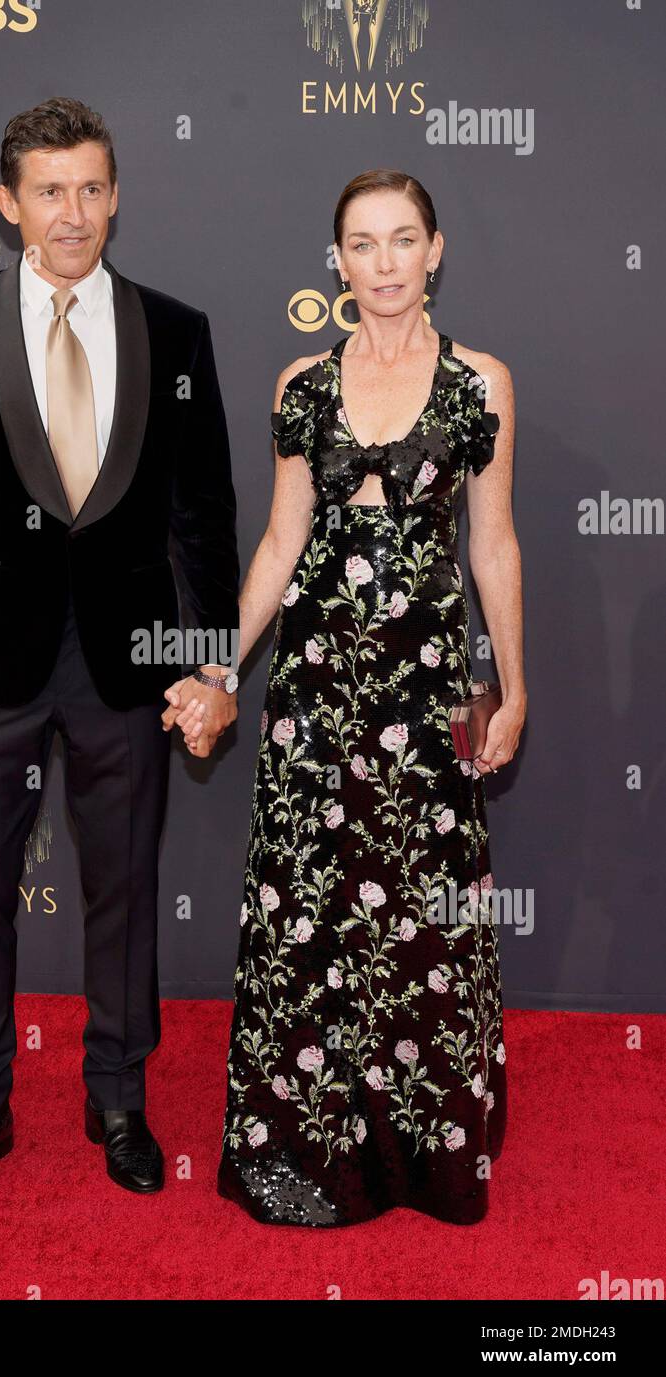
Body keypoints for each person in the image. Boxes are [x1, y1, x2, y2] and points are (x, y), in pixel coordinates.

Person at [0, 97, 240, 1212]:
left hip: (130, 664)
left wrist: (211, 666)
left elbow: (204, 517)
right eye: (47, 190)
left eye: (89, 188)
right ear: (6, 203)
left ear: (115, 195)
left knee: (124, 886)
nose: (70, 212)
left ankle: (117, 1095)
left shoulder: (175, 331)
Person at [171, 168, 525, 1225]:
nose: (382, 263)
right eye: (361, 245)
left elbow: (493, 543)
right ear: (337, 262)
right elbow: (281, 543)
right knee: (308, 918)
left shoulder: (482, 383)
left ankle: (426, 1149)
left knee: (423, 917)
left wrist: (513, 688)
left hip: (425, 697)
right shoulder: (301, 386)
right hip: (315, 696)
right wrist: (217, 666)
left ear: (435, 250)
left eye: (401, 240)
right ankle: (309, 1148)